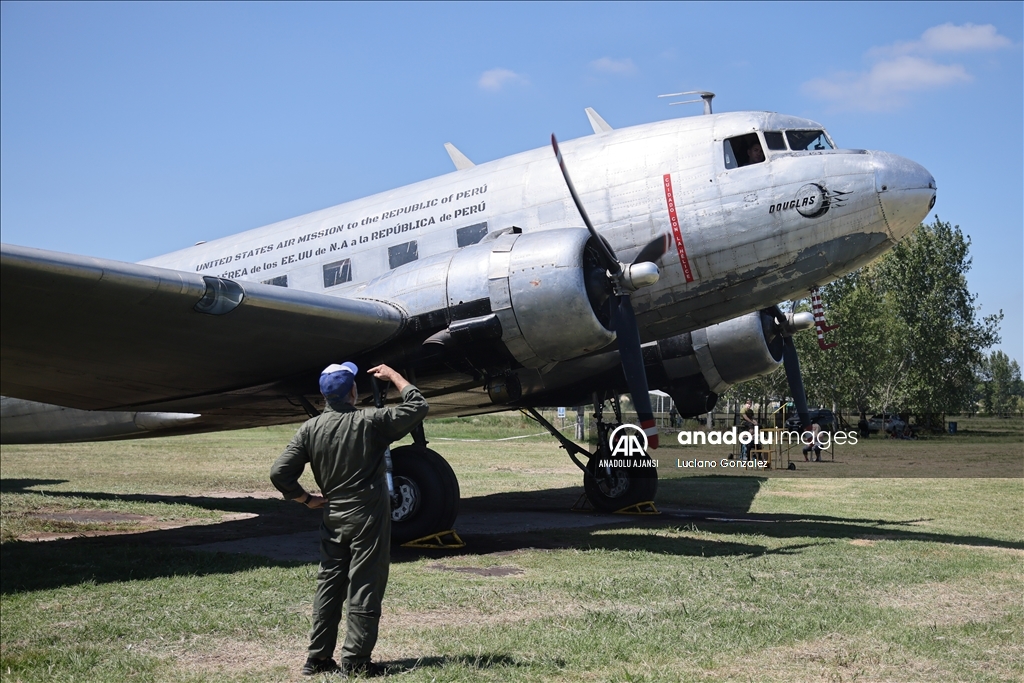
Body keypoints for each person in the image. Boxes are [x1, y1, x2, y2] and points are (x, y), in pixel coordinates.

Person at [271, 362, 428, 677]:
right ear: (353, 392)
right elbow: (418, 406)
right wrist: (395, 376)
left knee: (329, 584)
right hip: (368, 516)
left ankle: (317, 659)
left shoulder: (310, 429)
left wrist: (305, 499)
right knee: (365, 585)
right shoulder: (370, 421)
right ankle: (356, 662)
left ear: (325, 395)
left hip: (333, 516)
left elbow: (279, 473)